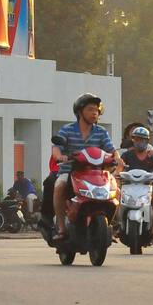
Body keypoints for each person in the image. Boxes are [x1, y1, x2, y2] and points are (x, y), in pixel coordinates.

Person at [53, 94, 119, 239]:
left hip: (96, 174)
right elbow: (56, 147)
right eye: (90, 109)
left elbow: (111, 150)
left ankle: (110, 226)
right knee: (59, 186)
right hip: (71, 172)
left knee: (116, 189)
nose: (94, 113)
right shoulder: (67, 129)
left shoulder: (101, 131)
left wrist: (117, 158)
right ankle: (62, 228)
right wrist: (59, 156)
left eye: (96, 110)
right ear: (80, 112)